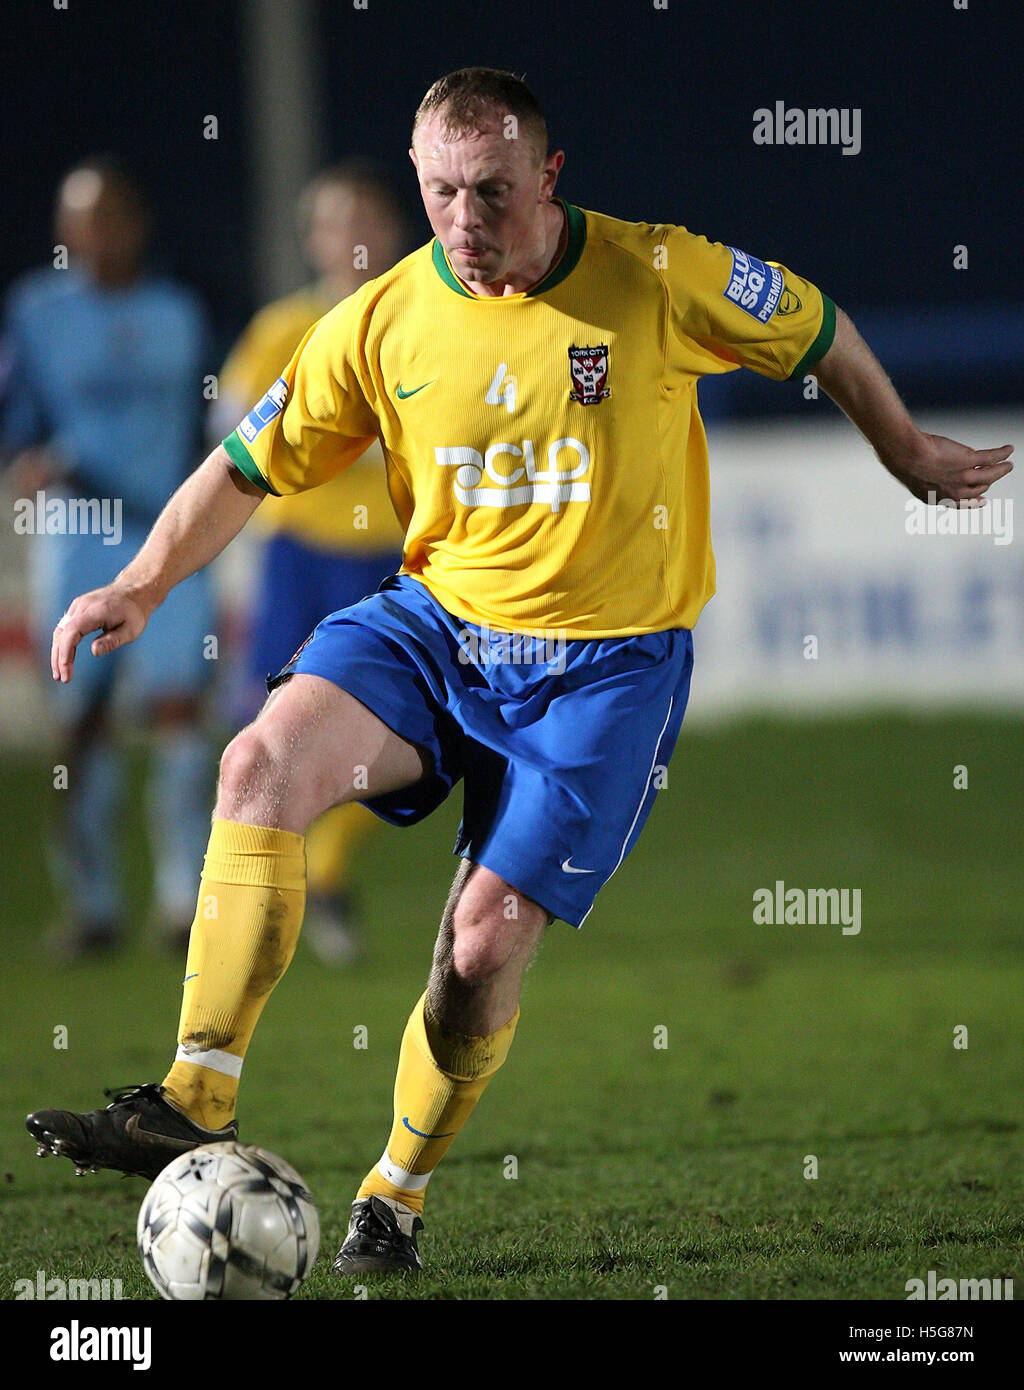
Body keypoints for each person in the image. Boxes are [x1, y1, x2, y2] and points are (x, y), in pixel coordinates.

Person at [26, 69, 1013, 1276]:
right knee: (257, 761)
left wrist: (904, 447)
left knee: (479, 946)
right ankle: (197, 1090)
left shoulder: (658, 273)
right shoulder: (381, 319)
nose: (463, 218)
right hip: (437, 627)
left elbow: (816, 324)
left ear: (547, 178)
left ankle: (397, 1187)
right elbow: (243, 464)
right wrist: (140, 583)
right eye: (439, 190)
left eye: (490, 189)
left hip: (607, 672)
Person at [2, 157, 214, 958]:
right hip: (78, 535)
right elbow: (17, 416)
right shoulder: (35, 309)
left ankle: (183, 900)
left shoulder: (180, 309)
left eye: (113, 216)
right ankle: (91, 907)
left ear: (139, 223)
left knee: (178, 713)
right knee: (81, 726)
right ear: (63, 232)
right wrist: (34, 457)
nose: (99, 234)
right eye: (83, 220)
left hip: (162, 535)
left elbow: (210, 418)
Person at [211, 161, 408, 964]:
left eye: (366, 216)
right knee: (264, 730)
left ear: (392, 229)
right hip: (296, 555)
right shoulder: (281, 330)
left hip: (388, 556)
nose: (353, 235)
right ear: (314, 239)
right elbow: (231, 429)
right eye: (337, 220)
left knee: (404, 735)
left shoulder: (420, 319)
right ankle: (255, 895)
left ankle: (322, 871)